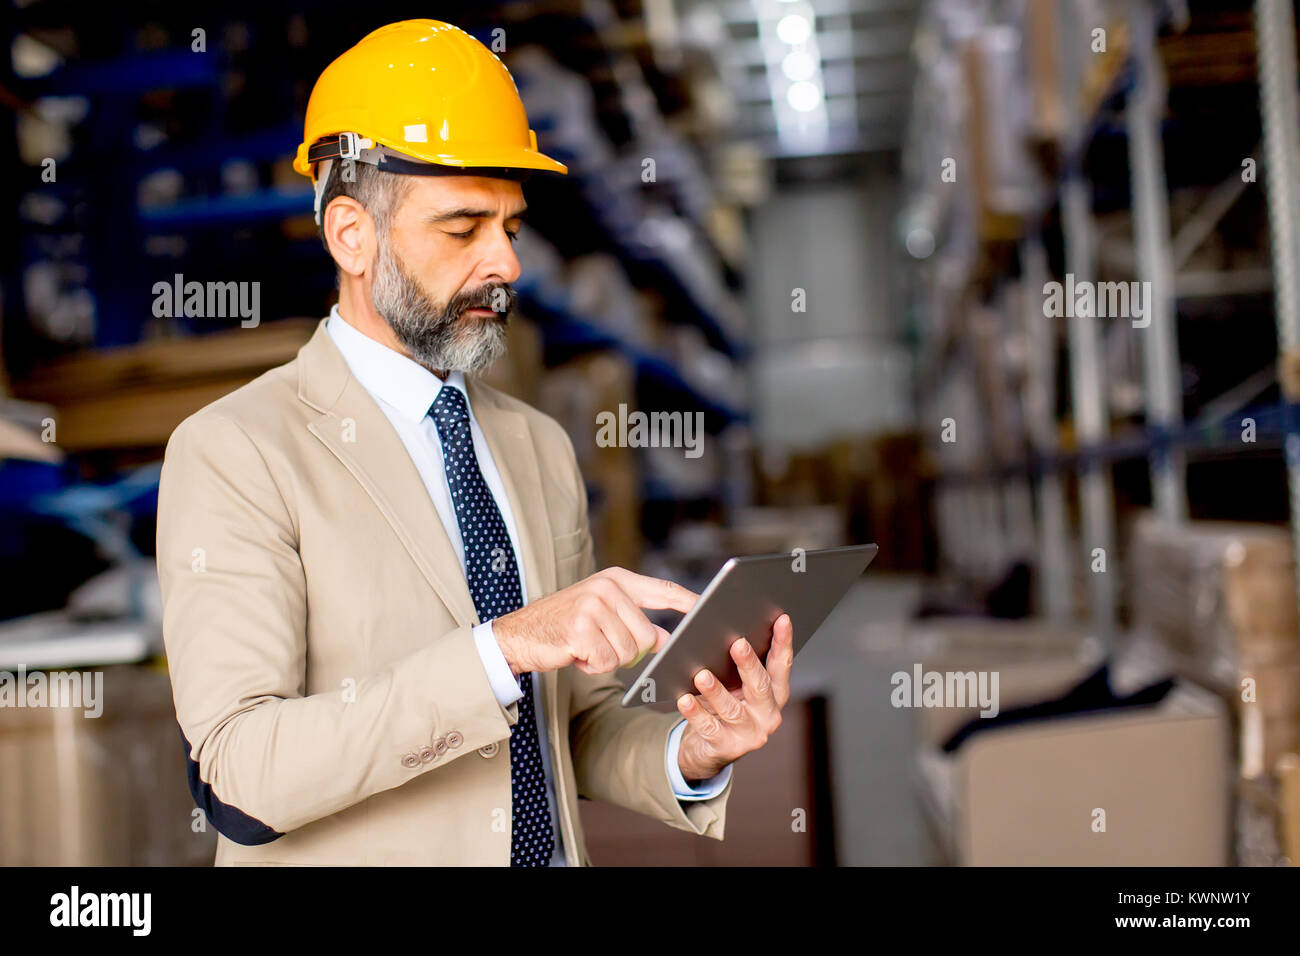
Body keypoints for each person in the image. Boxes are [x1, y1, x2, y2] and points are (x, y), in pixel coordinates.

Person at [157, 18, 794, 866]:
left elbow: (570, 726)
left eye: (512, 227)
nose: (506, 264)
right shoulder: (236, 452)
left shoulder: (535, 445)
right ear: (351, 234)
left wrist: (693, 753)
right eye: (463, 229)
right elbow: (241, 775)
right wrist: (501, 650)